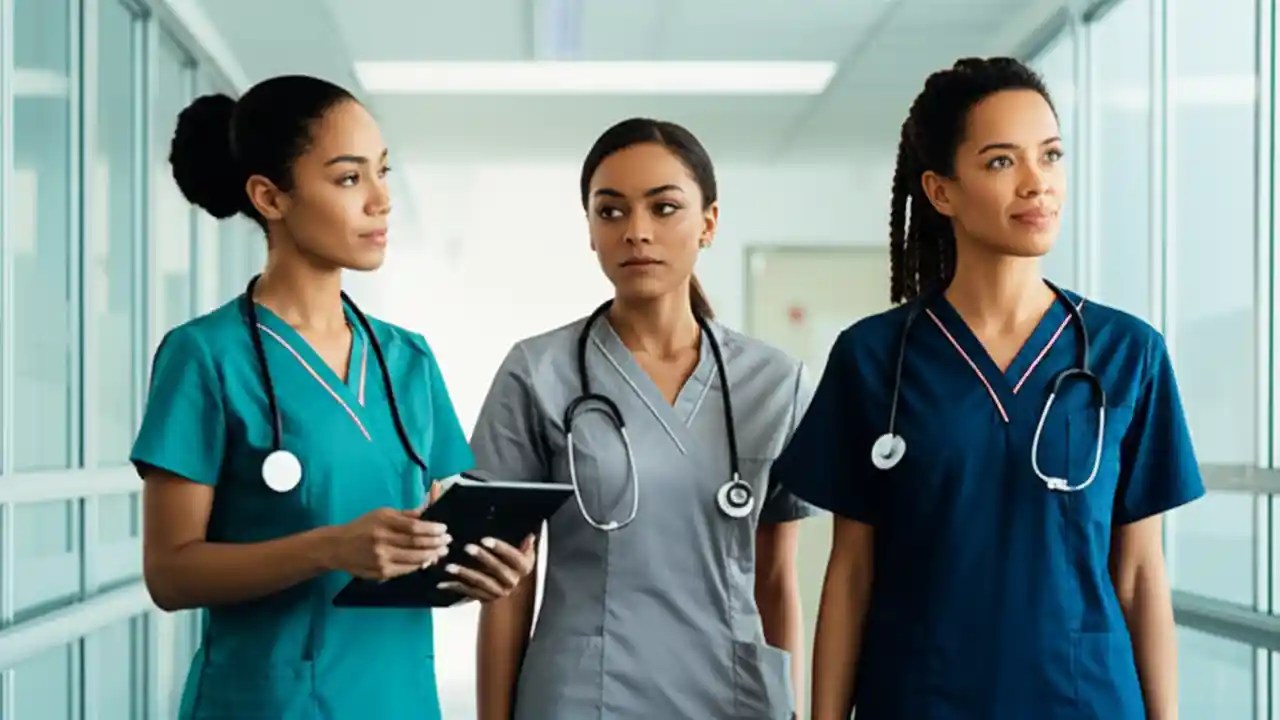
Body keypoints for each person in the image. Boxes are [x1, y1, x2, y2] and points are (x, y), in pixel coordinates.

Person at [771, 56, 1205, 719]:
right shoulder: (874, 358)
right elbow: (852, 571)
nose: (1038, 182)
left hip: (1083, 701)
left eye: (1050, 155)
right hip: (921, 701)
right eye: (1002, 161)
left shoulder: (1127, 353)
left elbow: (1141, 574)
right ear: (941, 191)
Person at [131, 74, 536, 720]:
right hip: (266, 704)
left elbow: (424, 549)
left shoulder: (407, 360)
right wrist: (328, 548)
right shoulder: (204, 356)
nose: (381, 200)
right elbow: (170, 575)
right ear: (270, 197)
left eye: (382, 172)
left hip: (399, 700)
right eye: (349, 178)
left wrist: (481, 572)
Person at [470, 117, 818, 720]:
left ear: (708, 222)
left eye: (664, 208)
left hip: (730, 696)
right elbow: (506, 583)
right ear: (590, 229)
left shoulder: (773, 383)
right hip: (584, 699)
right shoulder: (538, 373)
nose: (636, 231)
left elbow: (776, 577)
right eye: (611, 211)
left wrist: (794, 708)